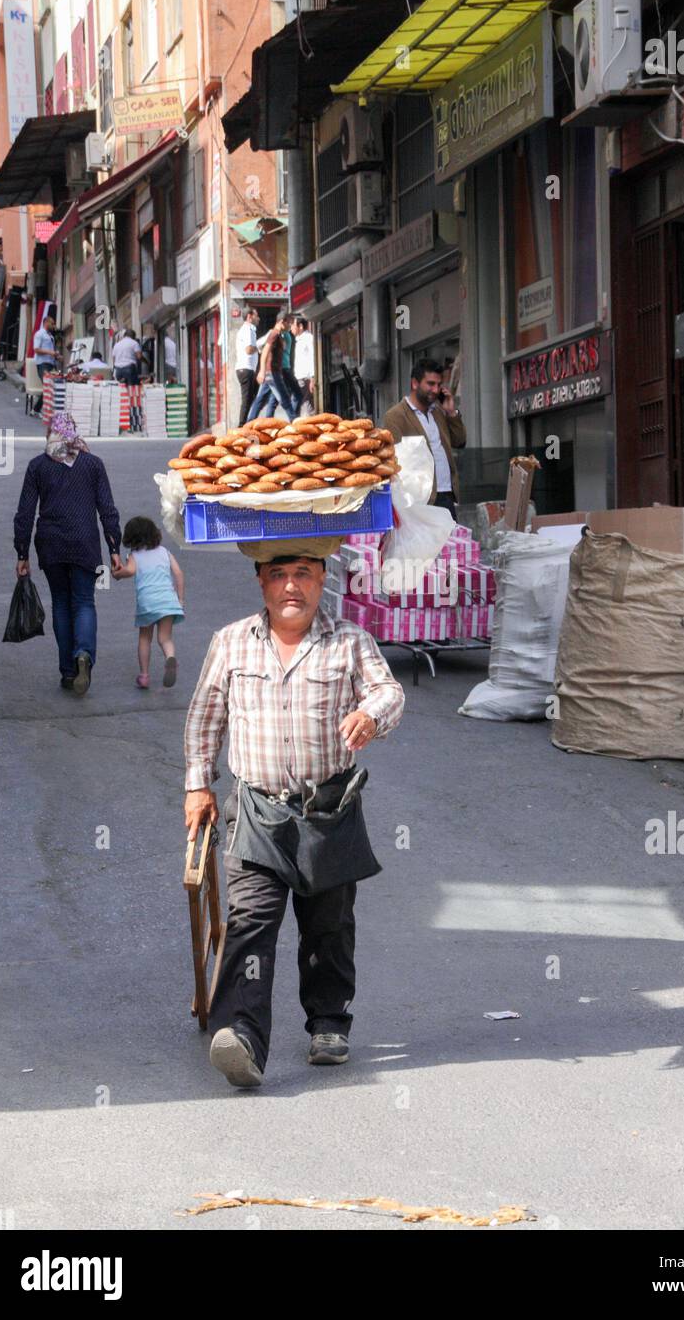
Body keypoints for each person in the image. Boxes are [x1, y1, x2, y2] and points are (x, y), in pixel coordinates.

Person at [184, 552, 405, 1088]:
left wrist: (369, 715)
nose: (291, 587)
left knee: (327, 924)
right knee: (250, 922)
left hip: (327, 809)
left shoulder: (350, 641)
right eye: (279, 575)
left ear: (322, 579)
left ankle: (328, 1022)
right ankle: (242, 1035)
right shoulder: (231, 641)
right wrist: (197, 784)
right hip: (256, 809)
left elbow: (389, 691)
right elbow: (205, 714)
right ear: (261, 580)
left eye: (303, 574)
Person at [13, 413, 122, 695]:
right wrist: (114, 548)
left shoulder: (38, 466)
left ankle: (68, 671)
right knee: (84, 601)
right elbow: (107, 509)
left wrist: (22, 552)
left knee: (61, 603)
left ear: (51, 434)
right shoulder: (92, 464)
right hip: (85, 543)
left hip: (51, 544)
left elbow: (25, 513)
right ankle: (83, 653)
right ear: (73, 434)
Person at [384, 357, 467, 520]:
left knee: (451, 544)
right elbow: (395, 461)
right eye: (430, 384)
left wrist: (451, 413)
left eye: (438, 385)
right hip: (420, 500)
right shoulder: (395, 416)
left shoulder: (438, 412)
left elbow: (460, 441)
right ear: (415, 383)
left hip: (446, 494)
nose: (435, 390)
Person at [112, 516, 184, 690]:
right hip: (168, 601)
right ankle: (170, 658)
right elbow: (179, 574)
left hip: (148, 603)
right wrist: (180, 600)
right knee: (165, 638)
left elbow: (129, 571)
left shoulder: (134, 556)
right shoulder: (165, 552)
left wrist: (117, 574)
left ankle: (144, 676)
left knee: (145, 638)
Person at [247, 308, 296, 421]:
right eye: (288, 322)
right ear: (281, 322)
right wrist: (262, 371)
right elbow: (264, 352)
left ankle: (248, 424)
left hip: (271, 373)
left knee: (260, 400)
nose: (290, 325)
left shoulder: (279, 335)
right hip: (272, 373)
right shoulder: (274, 334)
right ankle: (295, 423)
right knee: (285, 399)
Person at [235, 308, 261, 425]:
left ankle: (248, 423)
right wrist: (259, 347)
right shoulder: (247, 330)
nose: (258, 318)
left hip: (247, 368)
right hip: (246, 369)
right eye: (256, 315)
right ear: (249, 317)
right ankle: (242, 425)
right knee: (247, 399)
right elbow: (249, 349)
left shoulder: (247, 330)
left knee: (251, 398)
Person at [292, 315, 316, 415]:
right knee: (301, 406)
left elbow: (313, 357)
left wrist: (312, 378)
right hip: (299, 378)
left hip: (305, 378)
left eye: (293, 325)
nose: (291, 328)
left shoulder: (308, 338)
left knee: (304, 406)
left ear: (300, 326)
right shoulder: (299, 340)